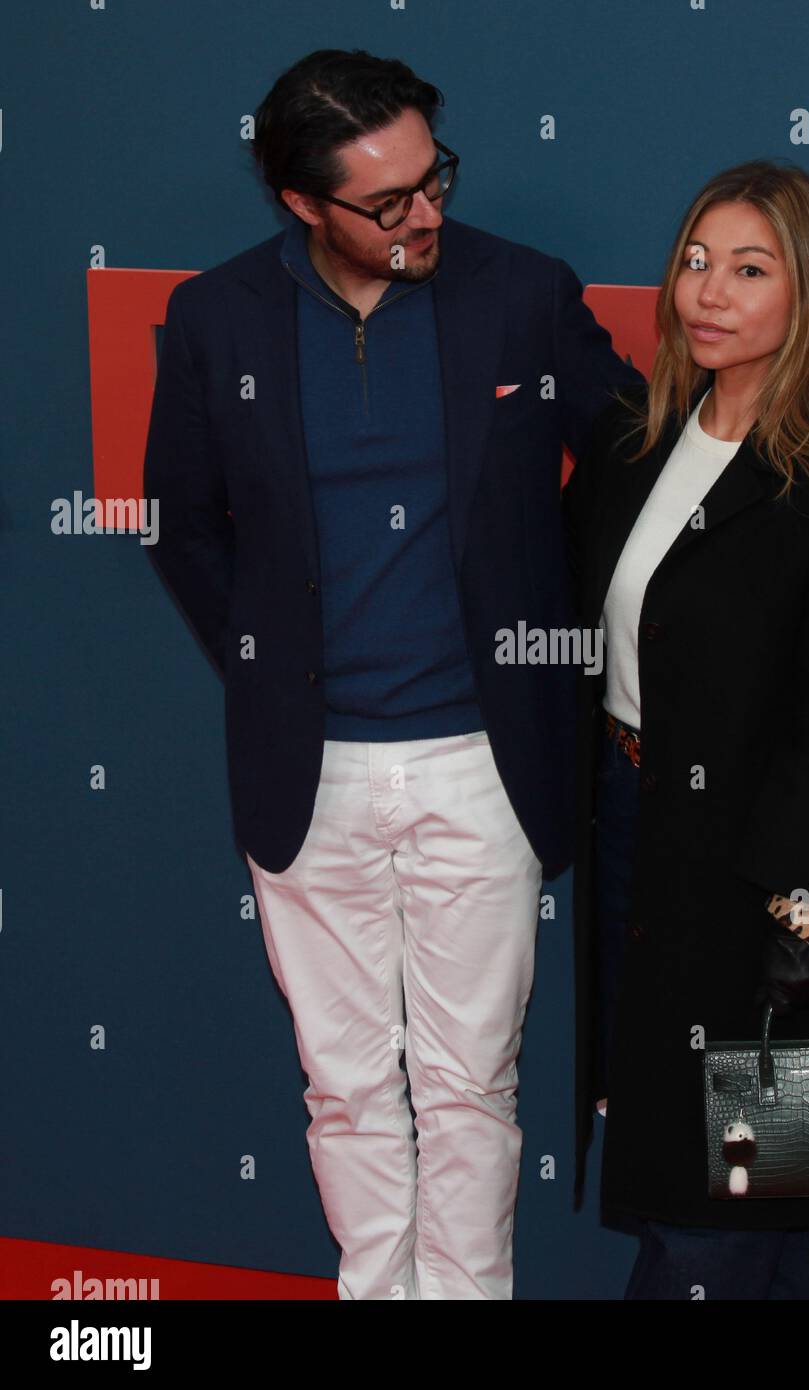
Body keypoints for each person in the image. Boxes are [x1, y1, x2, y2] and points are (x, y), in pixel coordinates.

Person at [142, 47, 642, 1301]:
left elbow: (635, 467)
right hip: (307, 772)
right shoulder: (217, 320)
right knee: (348, 1086)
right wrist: (271, 666)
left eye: (435, 180)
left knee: (473, 1084)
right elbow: (184, 521)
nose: (427, 213)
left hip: (482, 761)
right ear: (302, 204)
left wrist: (553, 635)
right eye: (388, 201)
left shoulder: (521, 294)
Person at [563, 159, 809, 1299]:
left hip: (764, 886)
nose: (709, 291)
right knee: (736, 1214)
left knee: (720, 1207)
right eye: (695, 261)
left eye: (750, 269)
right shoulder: (635, 439)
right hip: (630, 829)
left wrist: (789, 928)